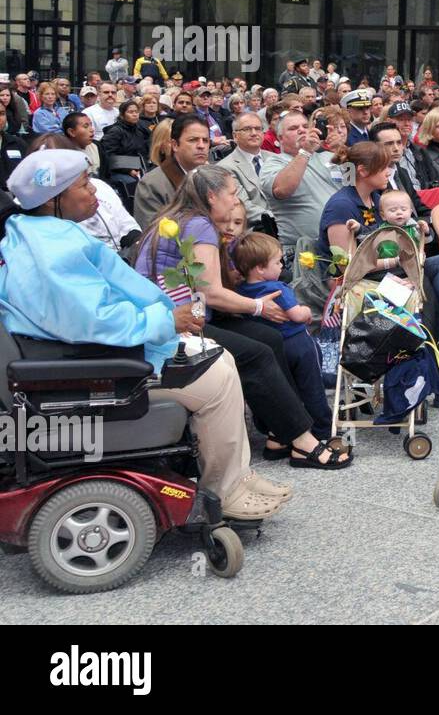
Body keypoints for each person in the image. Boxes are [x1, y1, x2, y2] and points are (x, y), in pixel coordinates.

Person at [0, 150, 289, 520]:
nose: (94, 193)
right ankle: (225, 486)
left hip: (86, 350)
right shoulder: (53, 248)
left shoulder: (35, 232)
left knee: (215, 352)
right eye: (84, 185)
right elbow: (96, 319)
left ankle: (236, 476)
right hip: (91, 361)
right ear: (53, 198)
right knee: (217, 372)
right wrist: (167, 321)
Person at [136, 166, 352, 469]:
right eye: (232, 193)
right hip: (174, 326)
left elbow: (198, 293)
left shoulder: (180, 219)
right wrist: (259, 307)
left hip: (181, 314)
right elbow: (208, 293)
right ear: (212, 196)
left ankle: (280, 433)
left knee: (269, 337)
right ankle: (303, 441)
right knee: (256, 353)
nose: (236, 199)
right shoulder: (199, 224)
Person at [231, 232, 334, 443]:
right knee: (312, 386)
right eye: (277, 262)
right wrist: (306, 312)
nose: (281, 267)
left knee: (286, 389)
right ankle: (322, 428)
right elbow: (296, 315)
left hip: (273, 347)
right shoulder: (278, 289)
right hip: (299, 344)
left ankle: (278, 432)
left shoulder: (240, 292)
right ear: (260, 268)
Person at [261, 110, 347, 252]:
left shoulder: (328, 156)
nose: (301, 130)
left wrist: (341, 148)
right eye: (294, 128)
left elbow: (353, 184)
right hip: (305, 251)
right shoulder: (274, 162)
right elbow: (281, 190)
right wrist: (306, 151)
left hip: (343, 241)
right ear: (280, 138)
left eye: (305, 127)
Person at [133, 113, 210, 228]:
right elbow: (153, 236)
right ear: (175, 145)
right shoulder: (151, 184)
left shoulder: (213, 176)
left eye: (205, 140)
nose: (201, 146)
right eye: (193, 140)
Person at [217, 112, 275, 233]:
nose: (254, 133)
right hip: (257, 231)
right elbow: (243, 207)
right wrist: (279, 218)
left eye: (258, 129)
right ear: (235, 135)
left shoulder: (275, 158)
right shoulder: (225, 167)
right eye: (247, 129)